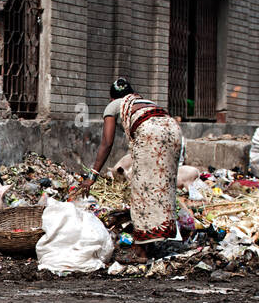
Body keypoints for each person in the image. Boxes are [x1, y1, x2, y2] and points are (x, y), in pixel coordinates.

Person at [75, 78, 183, 254]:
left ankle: (141, 249)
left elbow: (106, 143)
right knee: (163, 186)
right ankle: (158, 235)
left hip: (150, 133)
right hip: (174, 130)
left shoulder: (114, 105)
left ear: (112, 98)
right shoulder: (143, 101)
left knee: (142, 188)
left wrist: (92, 176)